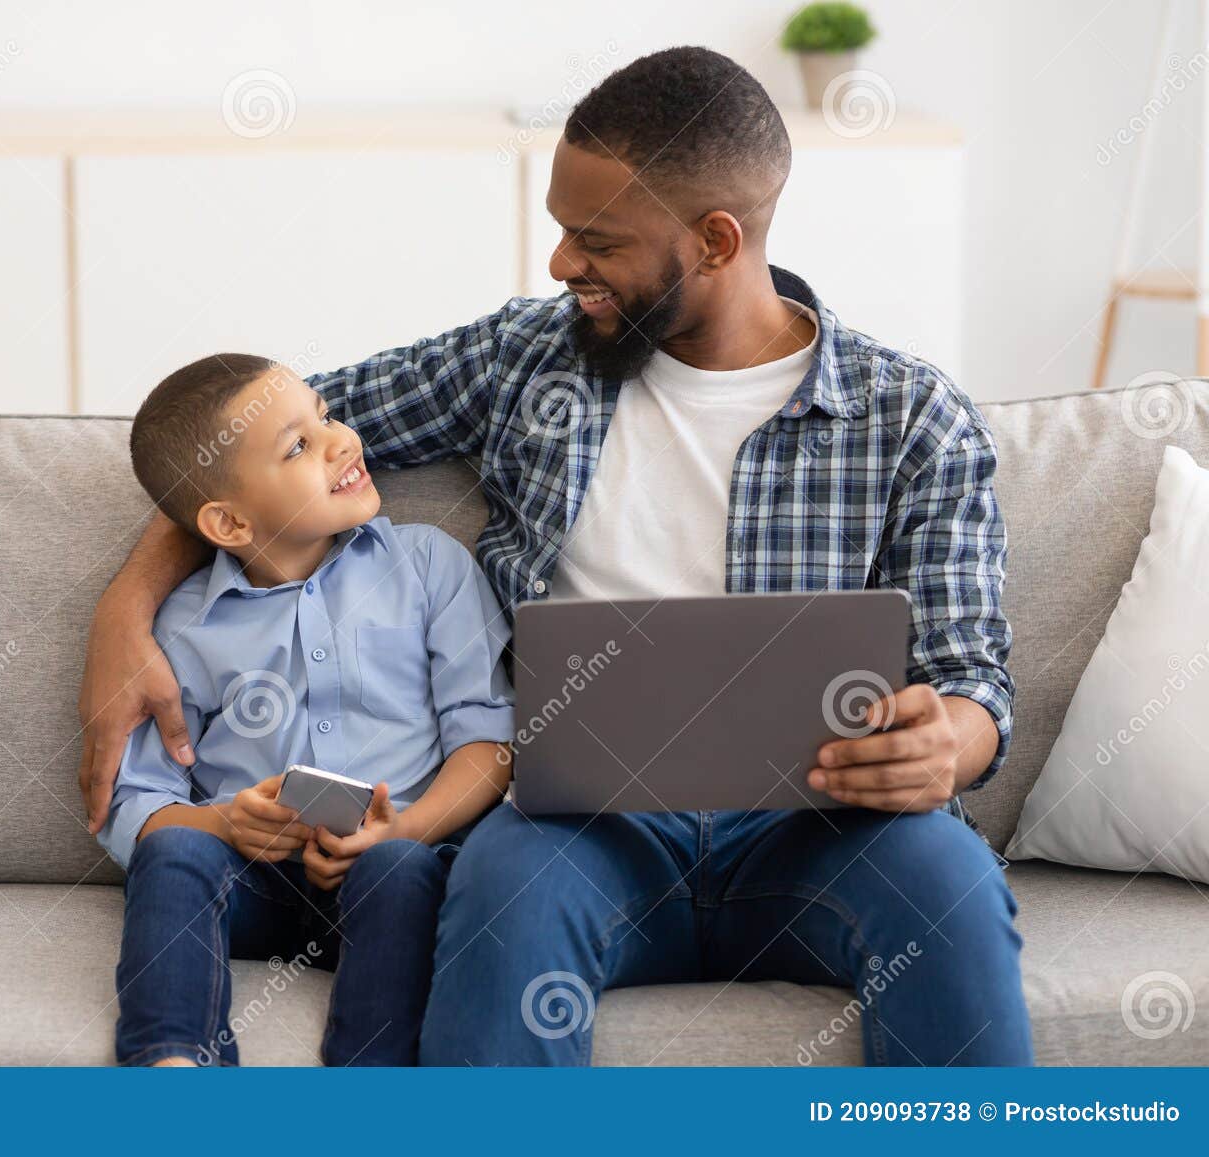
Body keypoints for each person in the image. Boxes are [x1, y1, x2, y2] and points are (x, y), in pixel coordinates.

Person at [81, 46, 1032, 1066]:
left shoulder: (913, 418)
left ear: (715, 240)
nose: (559, 265)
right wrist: (124, 614)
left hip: (826, 829)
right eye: (559, 229)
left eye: (595, 239)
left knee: (952, 887)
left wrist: (952, 739)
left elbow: (971, 675)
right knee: (503, 893)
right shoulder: (524, 356)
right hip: (578, 828)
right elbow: (245, 450)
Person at [98, 353, 513, 1066]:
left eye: (325, 415)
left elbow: (490, 743)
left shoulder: (428, 566)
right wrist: (223, 821)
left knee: (403, 873)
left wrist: (403, 829)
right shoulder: (184, 627)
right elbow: (137, 798)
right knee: (173, 853)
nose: (343, 440)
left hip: (392, 868)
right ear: (228, 521)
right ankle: (172, 1063)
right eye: (299, 445)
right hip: (251, 875)